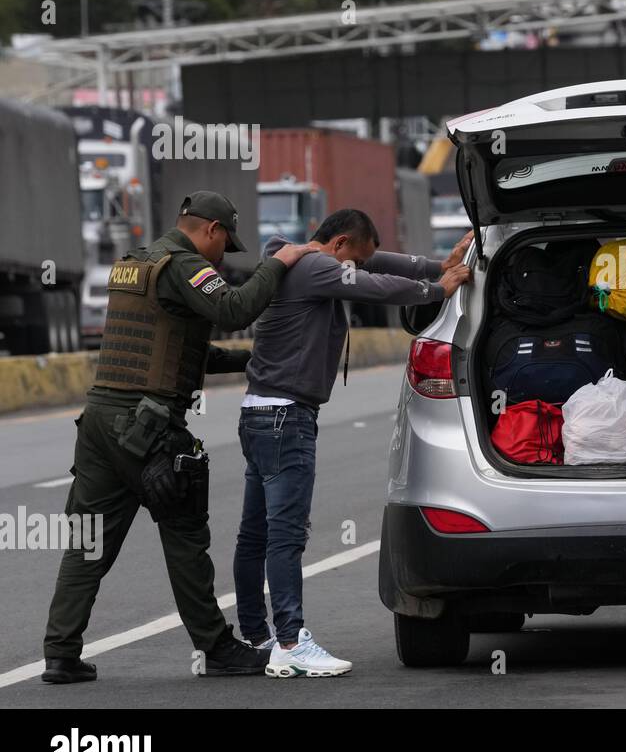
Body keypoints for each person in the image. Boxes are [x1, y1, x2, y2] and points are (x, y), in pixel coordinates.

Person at [43, 191, 312, 683]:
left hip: (101, 420)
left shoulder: (137, 264)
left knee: (88, 543)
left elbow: (175, 351)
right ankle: (217, 648)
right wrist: (279, 264)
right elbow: (234, 309)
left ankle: (60, 653)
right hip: (146, 426)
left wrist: (247, 362)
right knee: (186, 536)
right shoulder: (184, 265)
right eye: (224, 244)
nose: (222, 256)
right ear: (211, 229)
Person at [233, 209, 472, 677]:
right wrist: (436, 290)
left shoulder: (298, 259)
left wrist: (436, 264)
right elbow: (374, 286)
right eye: (355, 258)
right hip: (286, 418)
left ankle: (256, 636)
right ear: (340, 243)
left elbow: (379, 262)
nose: (360, 266)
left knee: (255, 533)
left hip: (259, 413)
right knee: (285, 536)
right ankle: (289, 641)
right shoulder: (317, 269)